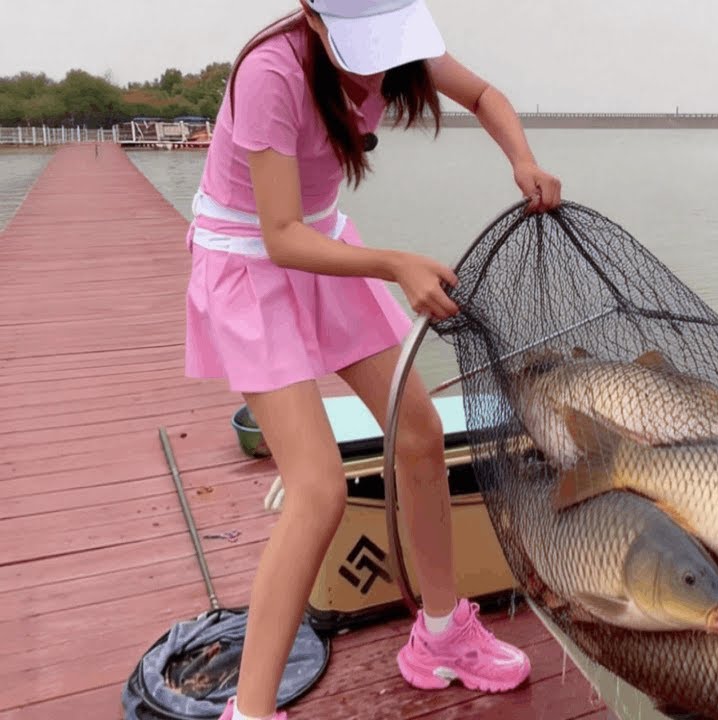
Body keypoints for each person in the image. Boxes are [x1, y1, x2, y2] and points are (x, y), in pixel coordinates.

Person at [181, 2, 562, 719]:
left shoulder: (401, 50)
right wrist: (393, 265)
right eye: (364, 46)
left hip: (322, 242)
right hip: (252, 262)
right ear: (315, 18)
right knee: (319, 487)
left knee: (418, 433)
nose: (380, 63)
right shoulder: (271, 70)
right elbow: (280, 235)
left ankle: (442, 635)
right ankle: (250, 711)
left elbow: (484, 95)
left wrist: (523, 158)